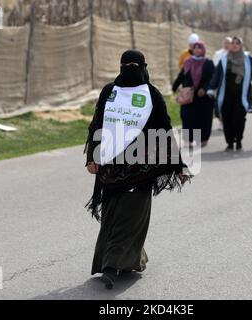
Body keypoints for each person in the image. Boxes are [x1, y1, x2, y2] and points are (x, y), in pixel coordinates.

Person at [84, 50, 189, 290]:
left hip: (141, 167)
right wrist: (92, 157)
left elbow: (165, 130)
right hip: (110, 168)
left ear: (143, 67)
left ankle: (111, 267)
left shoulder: (151, 94)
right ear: (120, 67)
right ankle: (131, 258)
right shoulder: (110, 92)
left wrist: (180, 163)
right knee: (113, 216)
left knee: (131, 216)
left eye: (134, 65)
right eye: (126, 65)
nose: (130, 69)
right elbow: (97, 124)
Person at [208, 36, 252, 151]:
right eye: (233, 43)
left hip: (241, 95)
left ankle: (238, 140)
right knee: (227, 118)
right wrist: (211, 88)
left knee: (238, 118)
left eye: (238, 43)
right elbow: (217, 75)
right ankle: (230, 142)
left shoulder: (248, 59)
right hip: (226, 94)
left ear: (241, 45)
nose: (235, 45)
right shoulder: (224, 59)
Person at [172, 41, 215, 147]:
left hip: (203, 97)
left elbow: (213, 78)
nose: (196, 50)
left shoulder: (208, 63)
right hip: (189, 95)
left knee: (203, 117)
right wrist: (174, 87)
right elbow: (181, 76)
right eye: (195, 48)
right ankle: (189, 140)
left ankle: (203, 138)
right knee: (187, 117)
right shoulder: (187, 62)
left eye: (199, 48)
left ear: (203, 50)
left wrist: (205, 89)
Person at [212, 37, 232, 131]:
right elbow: (214, 68)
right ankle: (221, 121)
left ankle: (229, 121)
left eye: (228, 42)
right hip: (220, 82)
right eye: (225, 42)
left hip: (230, 83)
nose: (227, 44)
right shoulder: (218, 54)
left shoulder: (234, 54)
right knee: (219, 103)